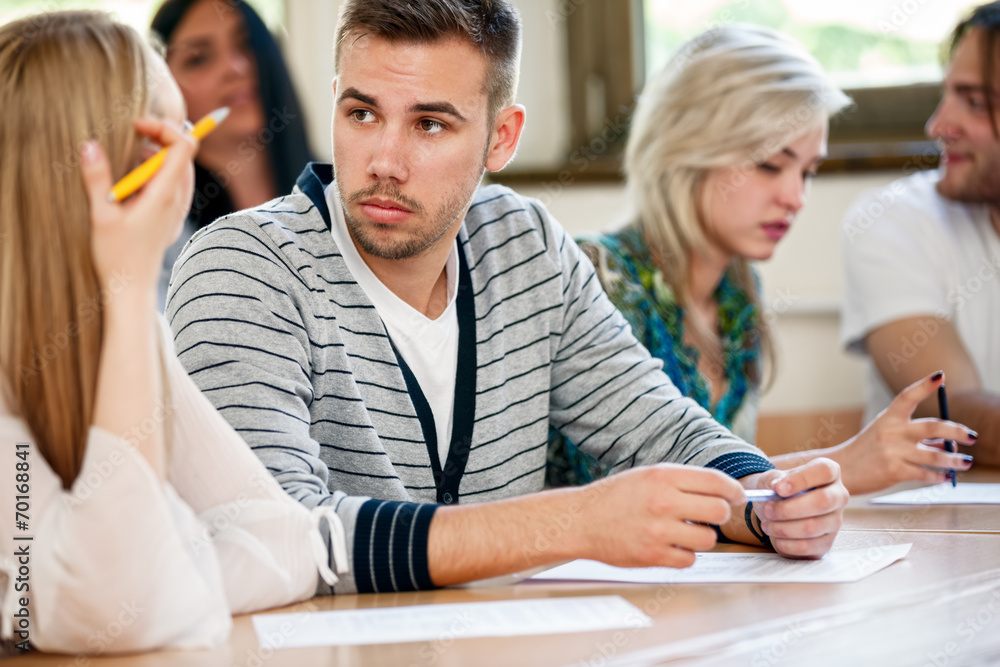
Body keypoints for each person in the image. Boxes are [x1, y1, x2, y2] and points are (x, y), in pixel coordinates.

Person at [166, 0, 848, 596]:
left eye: (430, 124)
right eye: (363, 113)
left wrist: (768, 503)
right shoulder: (241, 265)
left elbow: (662, 429)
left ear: (502, 137)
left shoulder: (526, 244)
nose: (384, 162)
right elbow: (273, 536)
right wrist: (573, 521)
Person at [0, 12, 340, 653]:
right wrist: (128, 283)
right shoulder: (128, 307)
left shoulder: (123, 330)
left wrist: (163, 576)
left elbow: (291, 544)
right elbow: (120, 610)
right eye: (171, 134)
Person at [548, 24, 979, 496]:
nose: (795, 197)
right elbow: (626, 497)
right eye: (771, 164)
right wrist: (842, 465)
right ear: (685, 149)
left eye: (808, 172)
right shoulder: (596, 276)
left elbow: (723, 503)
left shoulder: (739, 298)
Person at [841, 1, 1000, 466]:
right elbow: (949, 411)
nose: (938, 126)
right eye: (948, 94)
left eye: (975, 102)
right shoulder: (891, 220)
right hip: (943, 508)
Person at [151, 0, 315, 308]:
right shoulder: (161, 240)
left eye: (245, 44)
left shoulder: (344, 195)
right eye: (199, 59)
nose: (235, 68)